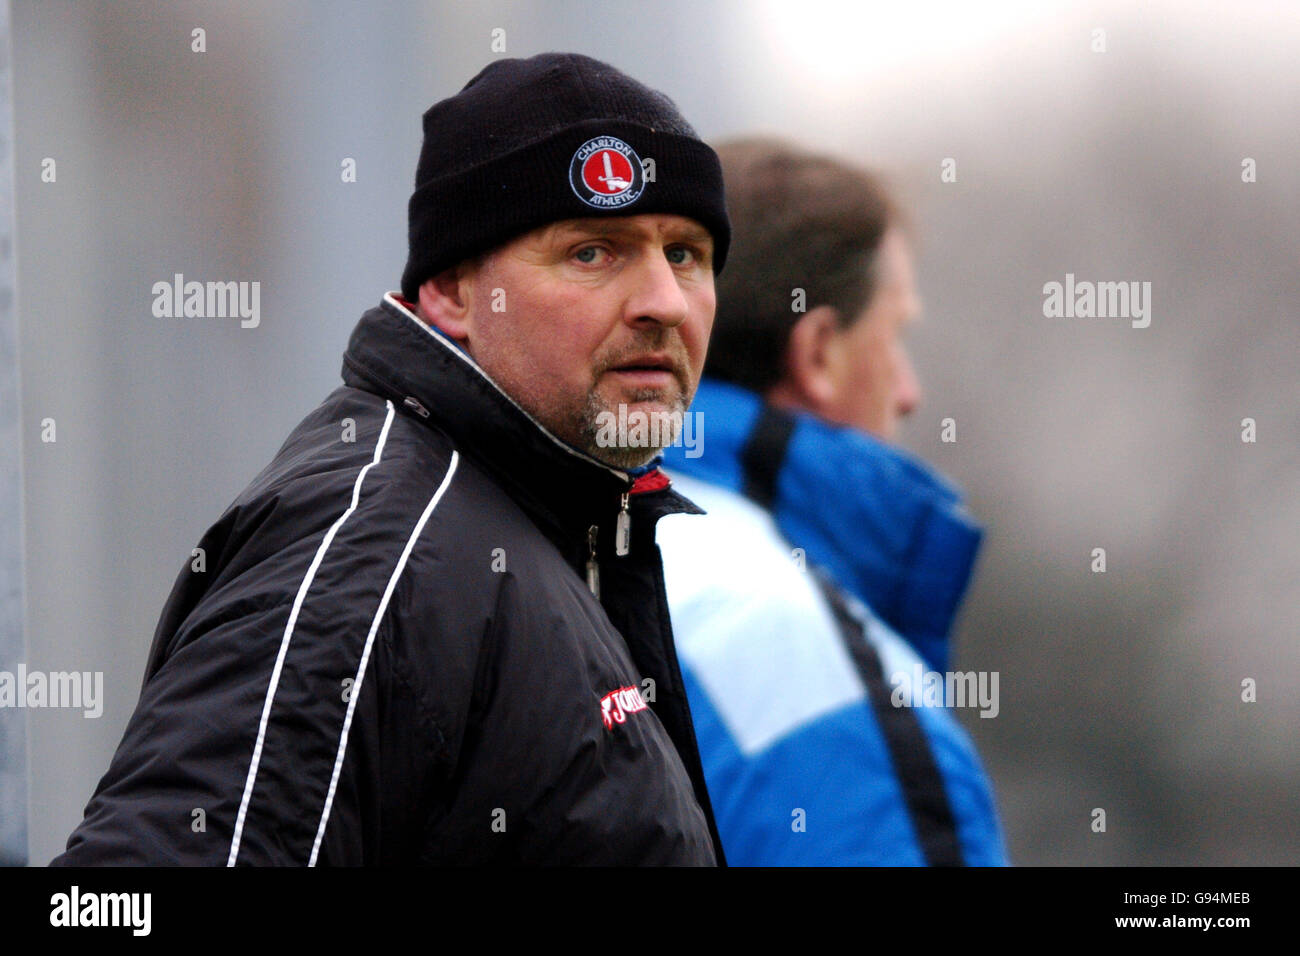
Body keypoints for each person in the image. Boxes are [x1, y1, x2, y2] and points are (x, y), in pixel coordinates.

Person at [51, 53, 730, 866]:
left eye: (685, 253)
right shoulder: (374, 546)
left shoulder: (558, 522)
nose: (663, 300)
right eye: (593, 252)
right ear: (449, 293)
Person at [657, 138, 1008, 865]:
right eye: (895, 335)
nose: (909, 393)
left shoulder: (537, 547)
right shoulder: (781, 637)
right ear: (818, 352)